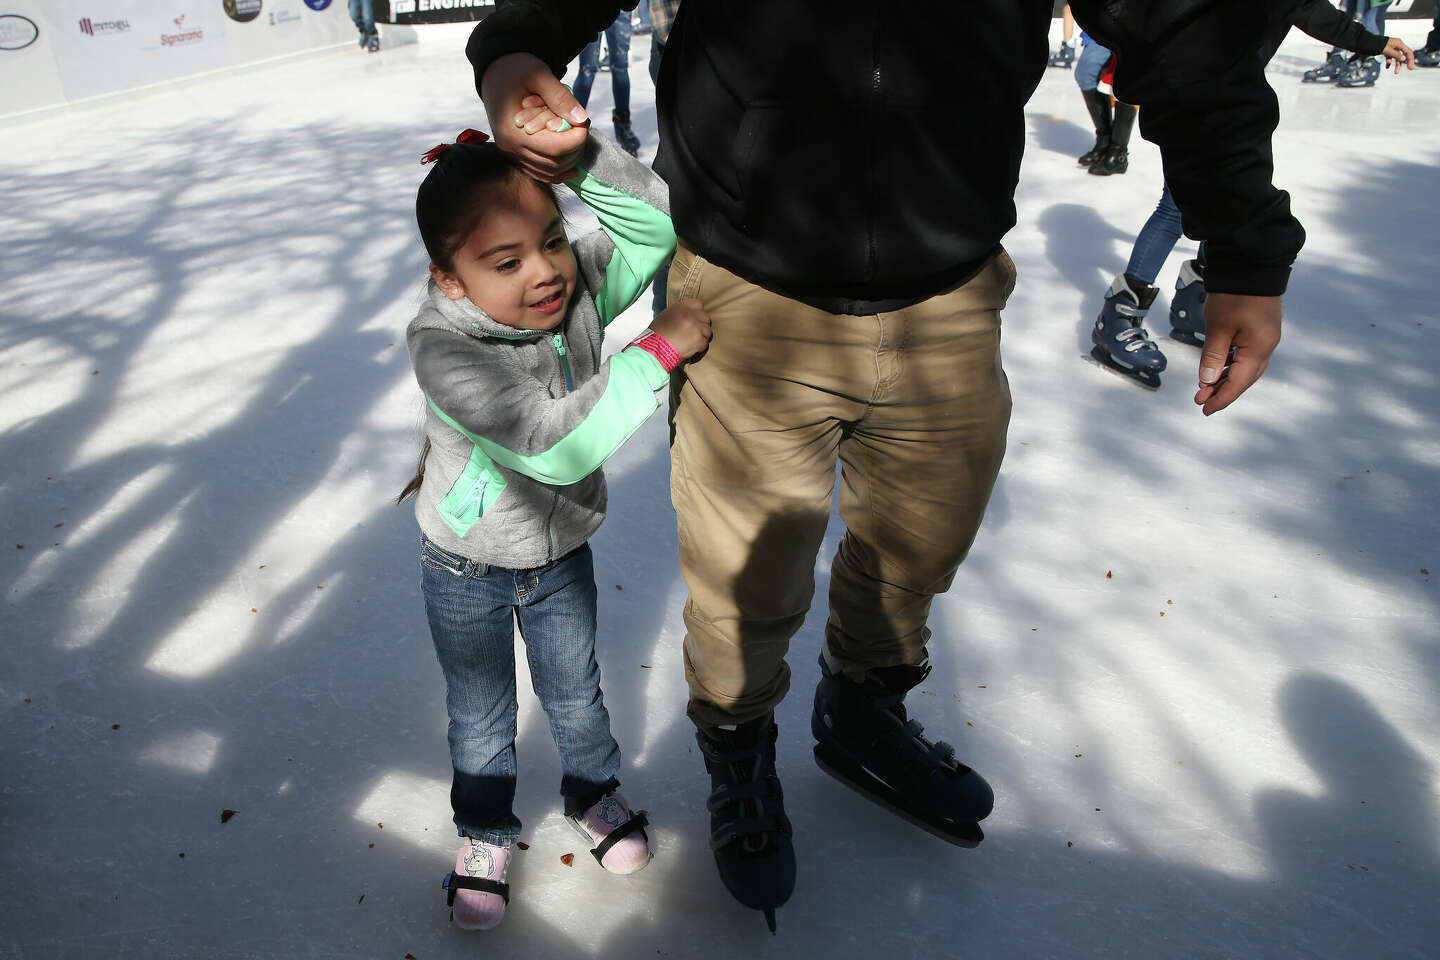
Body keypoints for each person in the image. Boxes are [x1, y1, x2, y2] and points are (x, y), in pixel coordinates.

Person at [465, 0, 1299, 930]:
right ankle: (739, 748)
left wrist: (1243, 241)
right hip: (749, 283)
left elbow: (1181, 22)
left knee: (926, 536)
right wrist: (513, 53)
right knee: (745, 570)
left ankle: (861, 702)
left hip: (945, 280)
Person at [400, 126, 712, 930]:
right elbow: (552, 445)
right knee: (481, 714)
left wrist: (574, 161)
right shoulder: (442, 347)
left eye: (550, 241)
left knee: (577, 695)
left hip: (561, 552)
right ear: (451, 277)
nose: (543, 271)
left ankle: (592, 793)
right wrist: (655, 353)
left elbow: (651, 229)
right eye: (505, 263)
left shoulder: (567, 294)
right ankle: (483, 832)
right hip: (465, 564)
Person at [1090, 0, 1414, 387]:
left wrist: (1372, 43)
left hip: (1234, 101)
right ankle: (1120, 314)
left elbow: (1311, 10)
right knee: (1176, 206)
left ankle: (1196, 298)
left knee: (1225, 197)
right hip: (1189, 96)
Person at [570, 12, 642, 155]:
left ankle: (623, 126)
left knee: (620, 67)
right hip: (591, 8)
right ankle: (573, 123)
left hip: (620, 10)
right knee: (587, 69)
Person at [1074, 32, 1136, 175]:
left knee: (1128, 77)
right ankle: (1104, 140)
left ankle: (1118, 152)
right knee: (1085, 72)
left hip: (1134, 27)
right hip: (1107, 25)